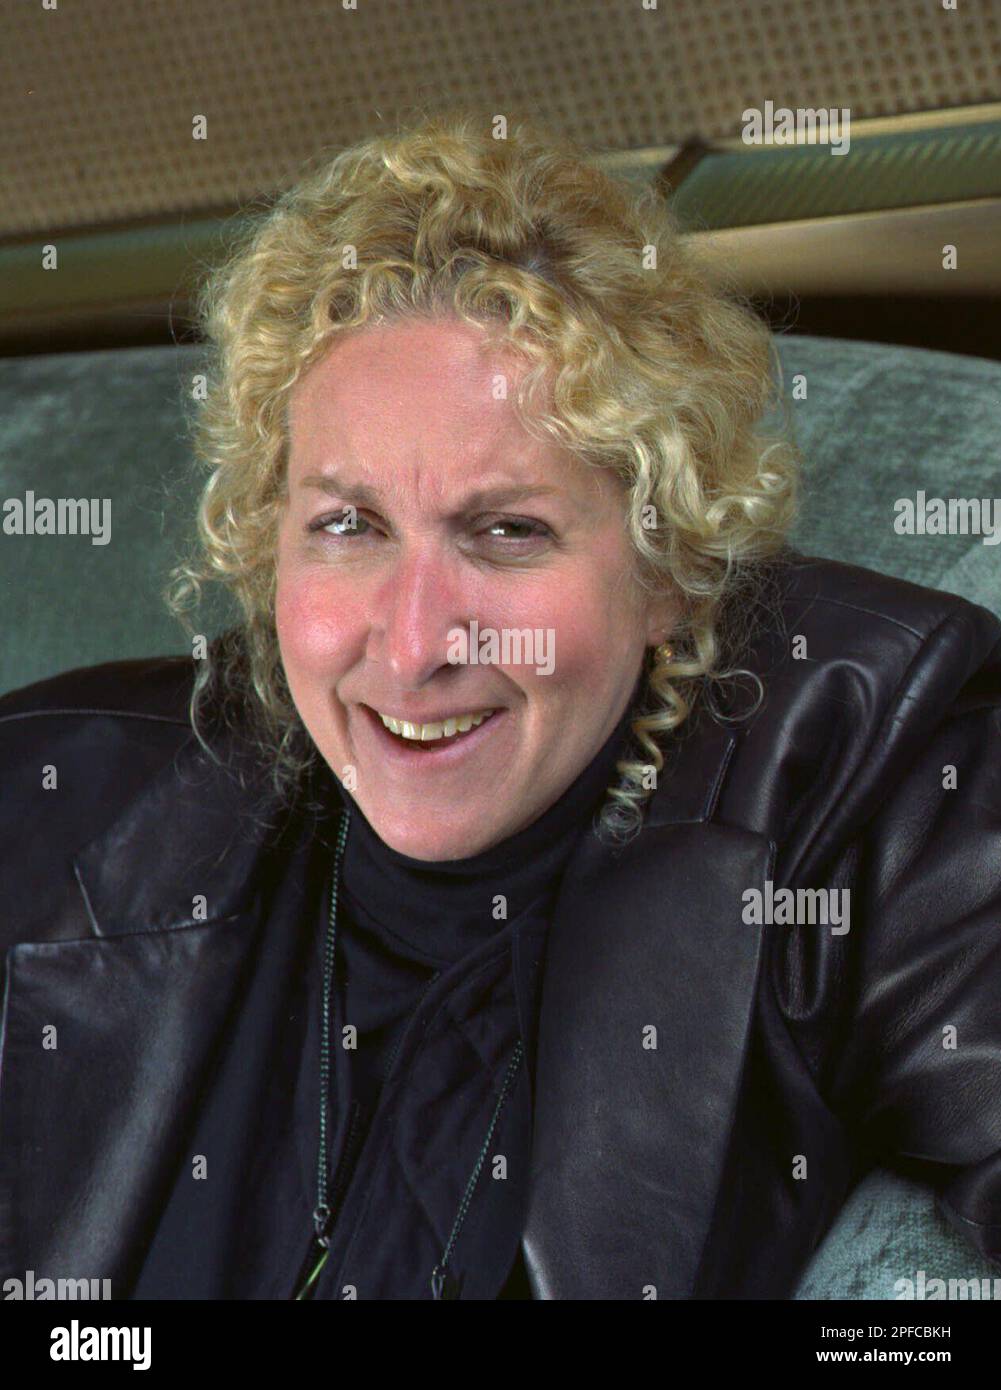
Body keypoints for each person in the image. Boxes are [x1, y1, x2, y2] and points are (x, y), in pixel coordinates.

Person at [2, 107, 1000, 1302]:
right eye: (348, 525)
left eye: (507, 530)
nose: (416, 643)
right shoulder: (44, 797)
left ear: (668, 568)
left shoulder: (853, 766)